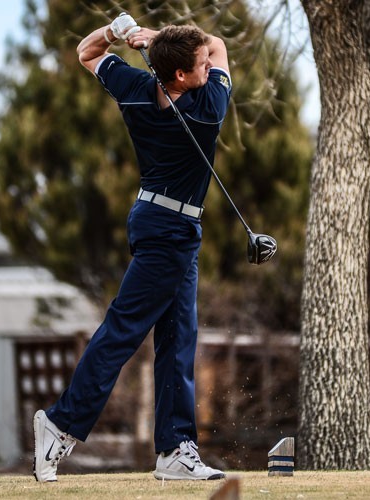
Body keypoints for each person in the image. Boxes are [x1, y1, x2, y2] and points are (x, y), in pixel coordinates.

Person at [32, 12, 232, 483]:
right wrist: (158, 36)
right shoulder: (208, 106)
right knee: (123, 331)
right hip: (170, 231)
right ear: (182, 75)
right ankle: (59, 424)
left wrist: (115, 33)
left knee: (178, 338)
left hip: (158, 221)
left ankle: (174, 450)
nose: (208, 66)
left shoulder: (135, 88)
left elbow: (87, 53)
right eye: (199, 64)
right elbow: (219, 43)